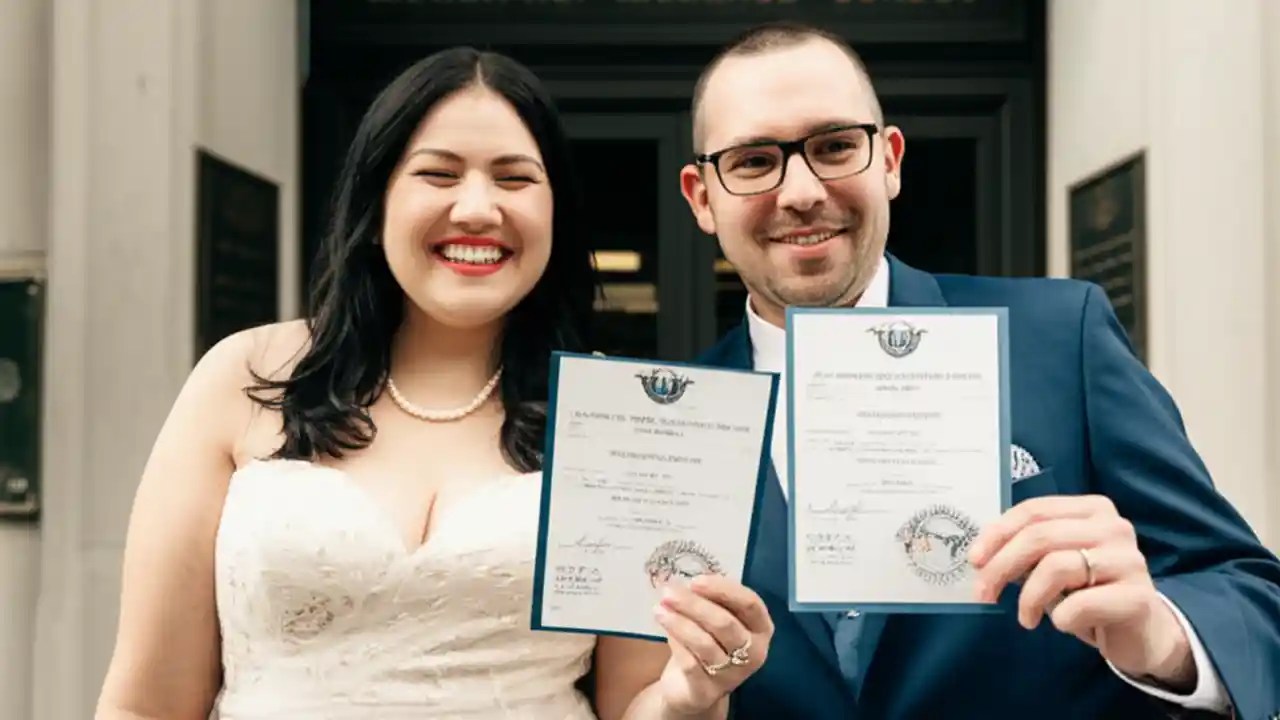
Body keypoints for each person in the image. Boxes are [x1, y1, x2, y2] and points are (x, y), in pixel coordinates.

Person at [95, 47, 774, 720]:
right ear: (376, 201)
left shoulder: (621, 419)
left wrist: (691, 694)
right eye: (438, 174)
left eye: (514, 179)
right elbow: (143, 704)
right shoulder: (245, 377)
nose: (477, 209)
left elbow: (637, 707)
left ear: (556, 214)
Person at [679, 21, 1280, 720]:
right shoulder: (681, 420)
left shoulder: (1062, 336)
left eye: (835, 146)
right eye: (754, 162)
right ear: (701, 197)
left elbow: (1251, 597)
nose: (802, 190)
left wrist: (1158, 635)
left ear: (890, 161)